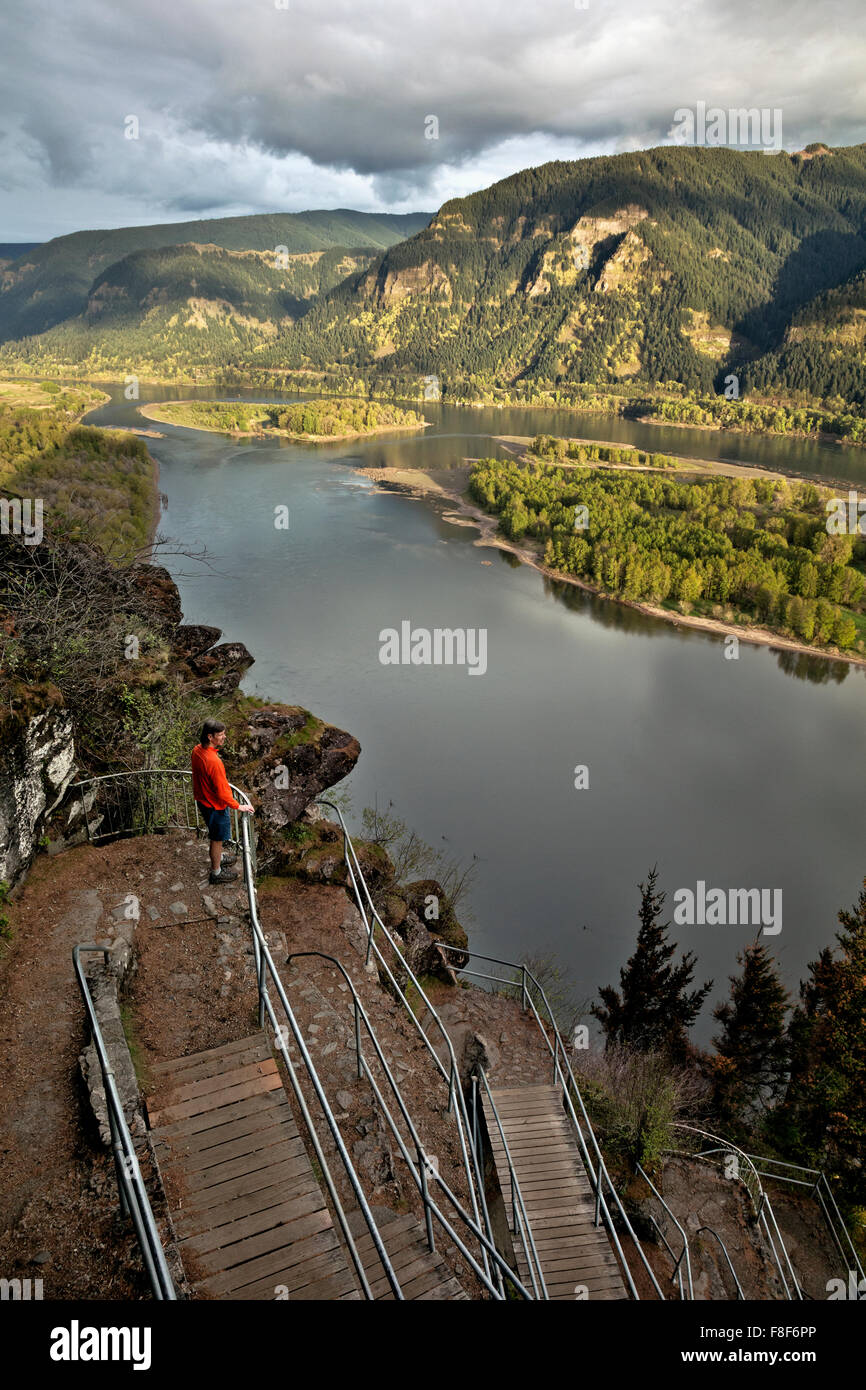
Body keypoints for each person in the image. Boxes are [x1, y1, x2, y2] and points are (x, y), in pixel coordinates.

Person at [191, 719, 253, 884]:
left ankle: (219, 857)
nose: (225, 737)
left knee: (216, 837)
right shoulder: (214, 762)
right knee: (217, 839)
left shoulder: (197, 750)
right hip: (215, 806)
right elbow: (222, 792)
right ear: (210, 737)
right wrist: (239, 806)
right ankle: (216, 872)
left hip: (203, 800)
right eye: (221, 734)